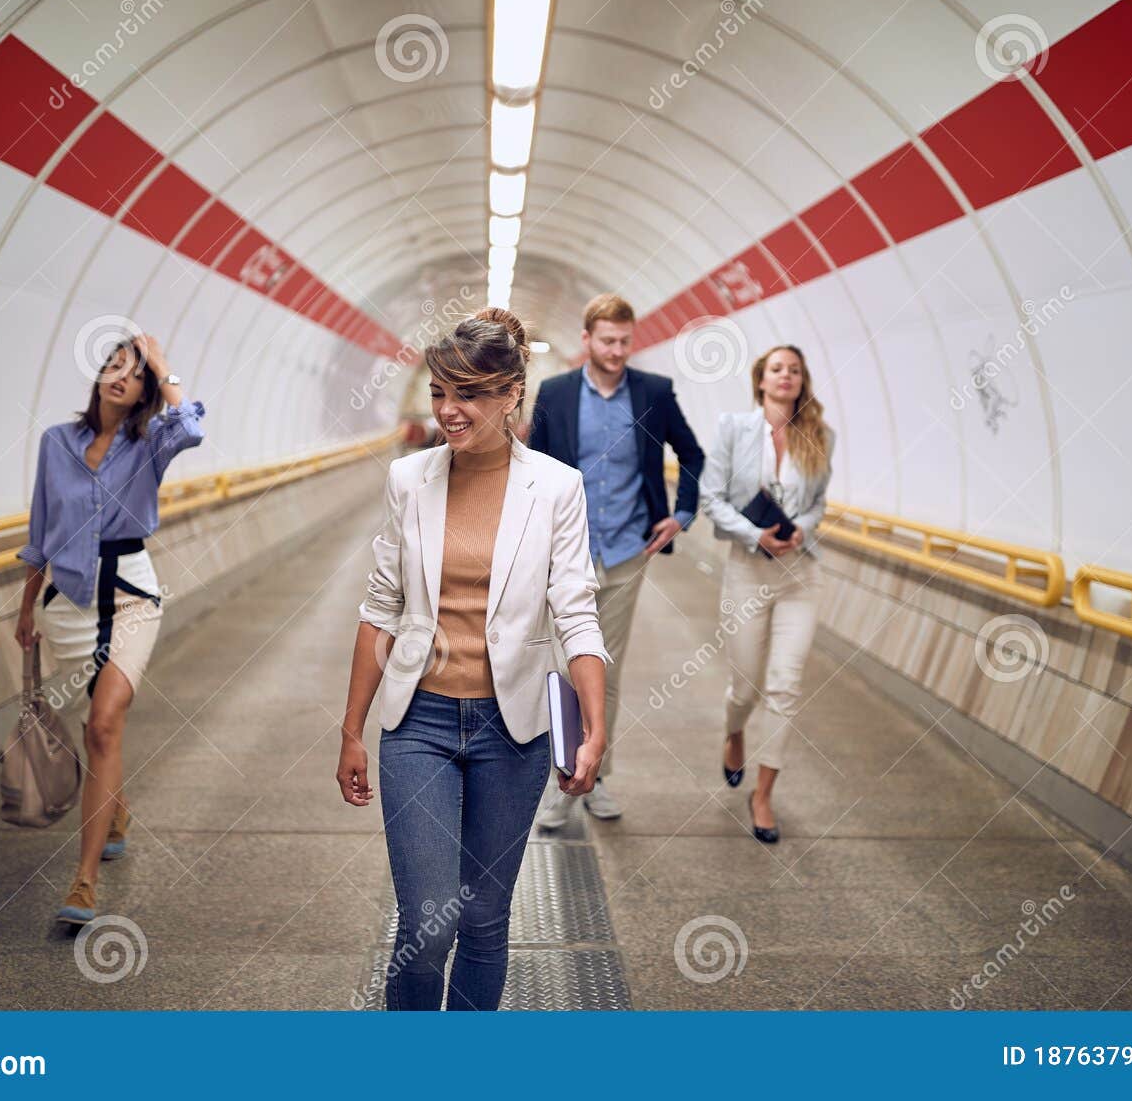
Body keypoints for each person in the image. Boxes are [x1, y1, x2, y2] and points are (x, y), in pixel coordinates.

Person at [339, 308, 611, 1010]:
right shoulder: (410, 480)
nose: (449, 411)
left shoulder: (555, 488)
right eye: (438, 392)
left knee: (486, 919)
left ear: (512, 393)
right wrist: (351, 731)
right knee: (430, 921)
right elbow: (380, 607)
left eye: (468, 394)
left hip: (511, 730)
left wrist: (594, 726)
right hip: (419, 721)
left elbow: (577, 613)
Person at [14, 333, 205, 923]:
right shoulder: (56, 443)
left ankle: (84, 882)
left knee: (102, 723)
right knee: (96, 727)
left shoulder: (148, 443)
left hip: (130, 598)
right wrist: (25, 609)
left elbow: (192, 427)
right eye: (114, 366)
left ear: (146, 391)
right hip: (67, 599)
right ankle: (114, 808)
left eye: (136, 373)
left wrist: (165, 365)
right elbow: (41, 534)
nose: (122, 376)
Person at [526, 293, 704, 828]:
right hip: (568, 552)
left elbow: (692, 454)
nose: (617, 350)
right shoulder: (554, 394)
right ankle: (564, 779)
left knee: (606, 668)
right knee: (563, 666)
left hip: (628, 550)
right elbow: (531, 467)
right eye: (607, 340)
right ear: (587, 340)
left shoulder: (653, 392)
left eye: (625, 341)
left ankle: (596, 777)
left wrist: (683, 514)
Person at [698, 345, 832, 844]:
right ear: (761, 380)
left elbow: (818, 503)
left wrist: (801, 529)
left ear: (802, 381)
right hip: (748, 570)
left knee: (785, 685)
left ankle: (763, 794)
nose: (786, 376)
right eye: (777, 369)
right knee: (747, 686)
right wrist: (756, 535)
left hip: (800, 575)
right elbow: (710, 498)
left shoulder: (819, 436)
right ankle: (735, 731)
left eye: (795, 370)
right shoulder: (735, 428)